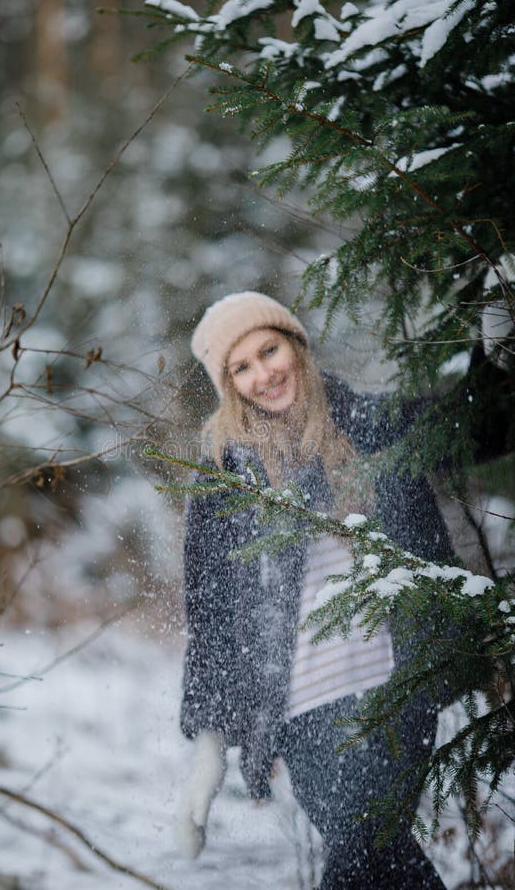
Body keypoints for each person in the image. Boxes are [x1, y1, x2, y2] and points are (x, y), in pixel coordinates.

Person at [177, 291, 451, 888]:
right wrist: (208, 751)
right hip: (301, 715)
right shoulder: (226, 478)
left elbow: (468, 430)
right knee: (377, 858)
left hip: (392, 684)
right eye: (240, 367)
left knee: (363, 845)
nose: (262, 375)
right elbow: (213, 617)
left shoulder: (367, 424)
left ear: (295, 346)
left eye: (268, 351)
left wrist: (497, 348)